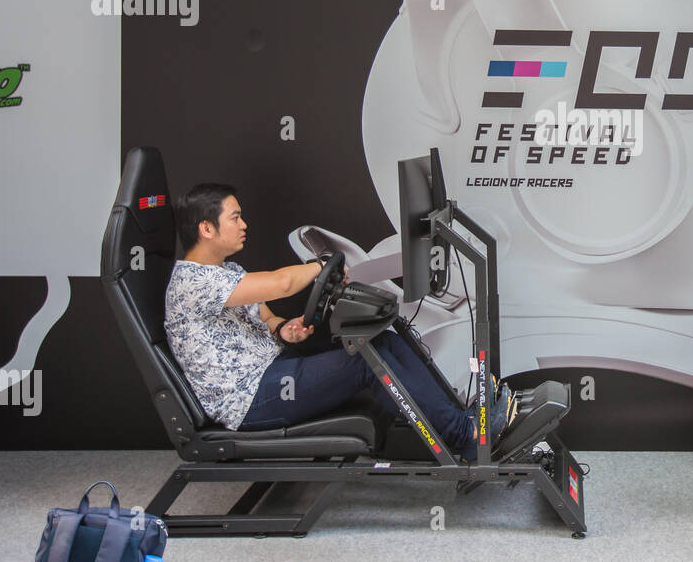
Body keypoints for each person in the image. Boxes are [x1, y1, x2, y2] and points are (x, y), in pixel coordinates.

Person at [163, 182, 514, 460]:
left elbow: (268, 316)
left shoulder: (228, 272)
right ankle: (462, 437)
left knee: (383, 339)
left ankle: (461, 419)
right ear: (206, 228)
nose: (244, 225)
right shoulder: (192, 282)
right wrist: (322, 266)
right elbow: (282, 284)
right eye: (235, 218)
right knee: (365, 362)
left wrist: (285, 329)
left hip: (274, 370)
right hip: (251, 399)